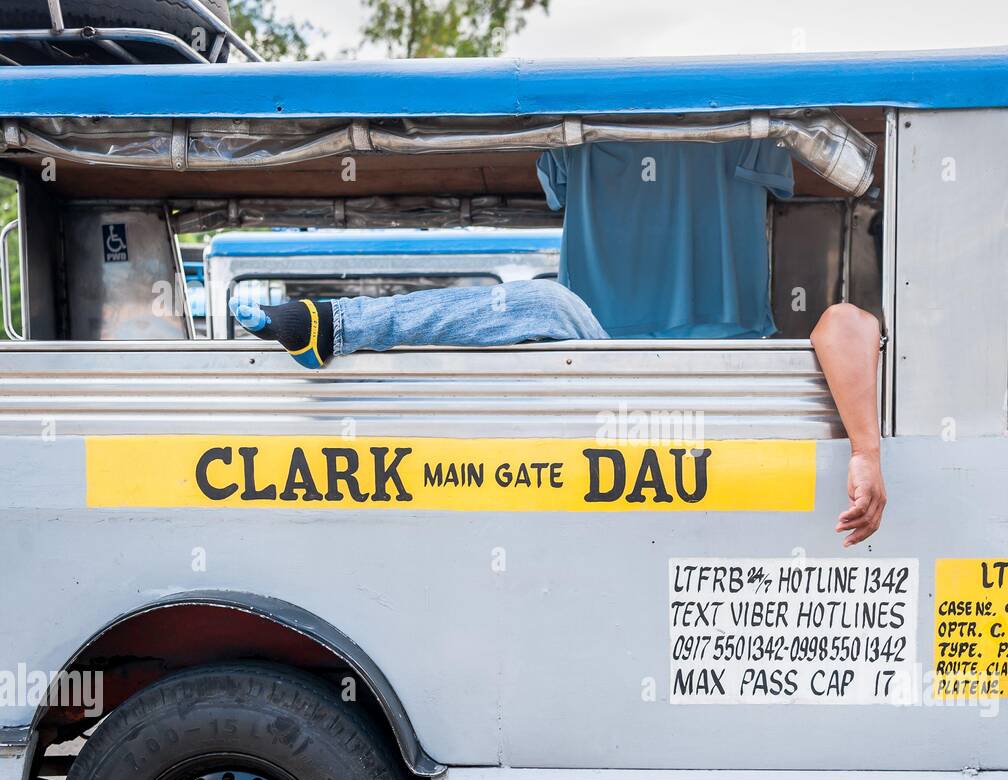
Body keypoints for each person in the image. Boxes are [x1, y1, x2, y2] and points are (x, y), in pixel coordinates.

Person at [236, 138, 885, 543]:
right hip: (602, 363)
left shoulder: (748, 139)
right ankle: (337, 325)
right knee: (542, 297)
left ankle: (336, 324)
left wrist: (865, 454)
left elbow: (845, 323)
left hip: (709, 415)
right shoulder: (583, 143)